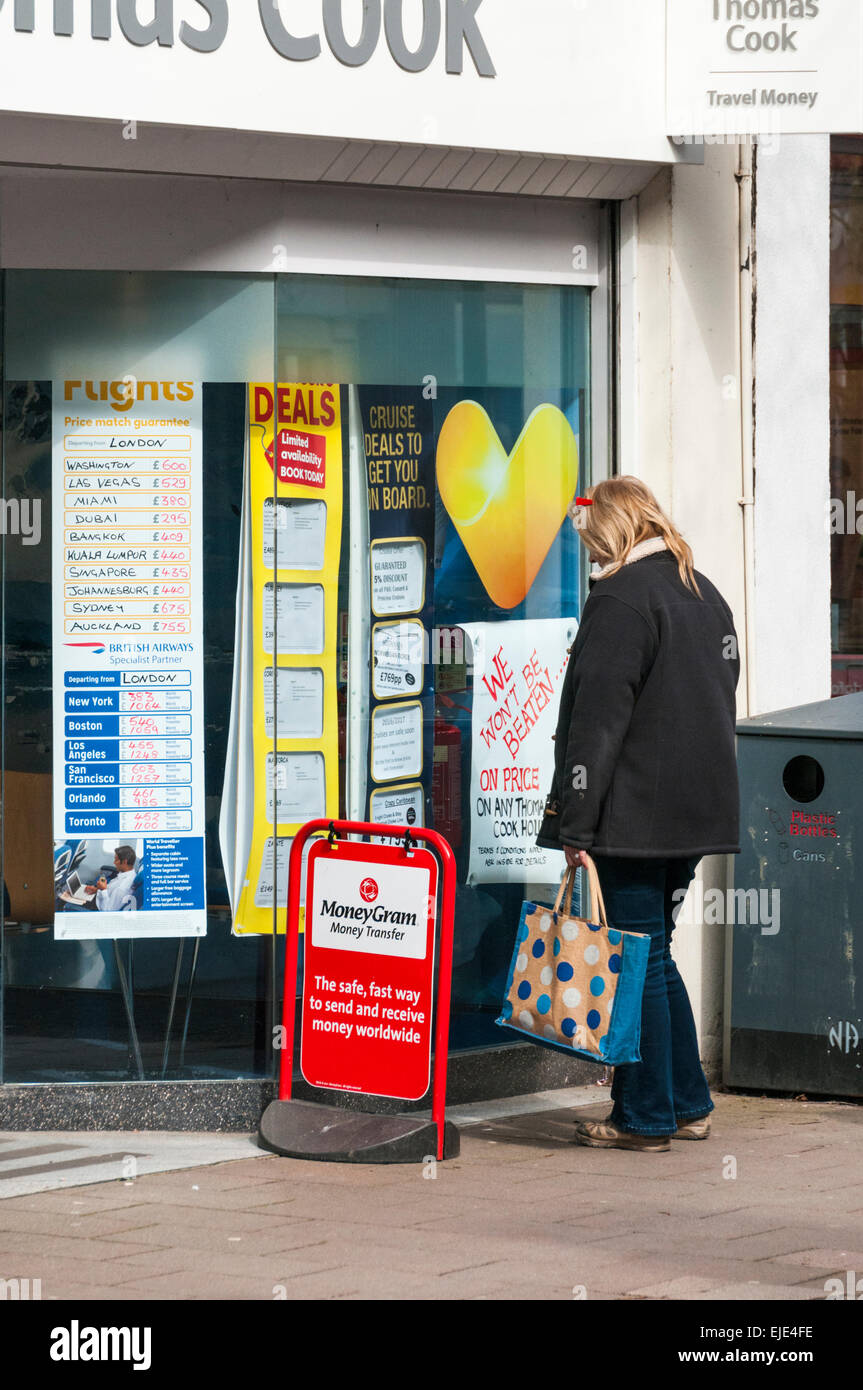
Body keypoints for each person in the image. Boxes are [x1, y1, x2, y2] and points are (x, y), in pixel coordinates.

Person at [536, 476, 740, 1153]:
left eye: (594, 549)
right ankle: (684, 1103)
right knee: (653, 958)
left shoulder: (620, 600)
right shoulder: (699, 590)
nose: (592, 562)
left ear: (614, 535)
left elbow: (597, 721)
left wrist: (575, 827)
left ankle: (644, 1116)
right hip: (692, 813)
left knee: (633, 962)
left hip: (631, 816)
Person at [84, 846, 138, 912]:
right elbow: (110, 892)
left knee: (69, 902)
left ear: (124, 862)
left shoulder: (121, 889)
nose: (114, 862)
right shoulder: (130, 874)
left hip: (97, 908)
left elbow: (107, 910)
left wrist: (103, 889)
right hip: (99, 898)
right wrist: (96, 890)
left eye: (116, 860)